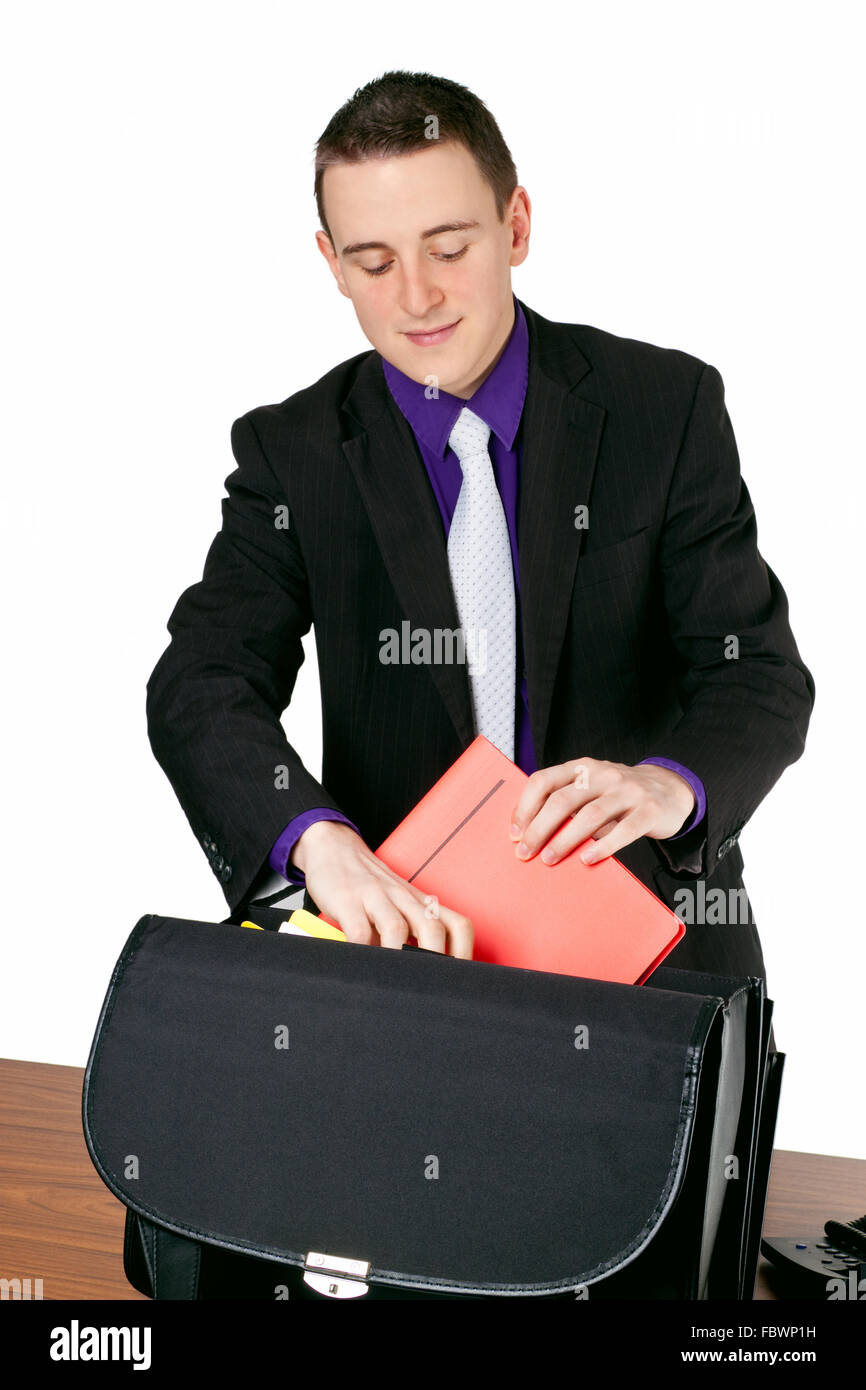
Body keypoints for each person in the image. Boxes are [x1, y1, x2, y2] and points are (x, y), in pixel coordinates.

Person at [146, 70, 815, 984]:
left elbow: (758, 675)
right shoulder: (291, 451)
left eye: (450, 247)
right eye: (374, 263)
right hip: (406, 960)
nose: (416, 297)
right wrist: (315, 845)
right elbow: (201, 683)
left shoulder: (665, 408)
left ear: (517, 225)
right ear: (331, 262)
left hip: (655, 957)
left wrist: (667, 786)